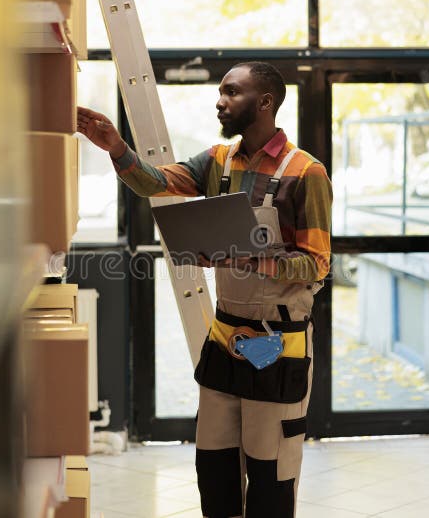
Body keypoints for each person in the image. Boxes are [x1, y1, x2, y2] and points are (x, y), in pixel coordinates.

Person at [77, 61, 332, 518]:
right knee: (214, 468)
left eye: (231, 92)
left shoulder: (306, 173)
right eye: (221, 92)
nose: (220, 100)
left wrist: (248, 258)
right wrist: (116, 148)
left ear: (266, 102)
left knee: (269, 471)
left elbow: (316, 264)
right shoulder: (218, 162)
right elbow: (156, 182)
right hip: (224, 340)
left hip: (279, 346)